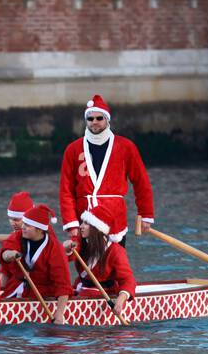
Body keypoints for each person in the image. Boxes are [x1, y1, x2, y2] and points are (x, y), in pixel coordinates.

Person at [58, 94, 155, 245]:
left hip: (114, 219)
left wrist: (146, 214)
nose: (94, 122)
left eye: (99, 118)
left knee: (116, 264)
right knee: (86, 267)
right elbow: (66, 189)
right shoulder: (73, 149)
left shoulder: (126, 147)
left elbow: (141, 182)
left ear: (107, 119)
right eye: (90, 119)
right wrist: (71, 222)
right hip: (84, 219)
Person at [0, 203, 72, 324]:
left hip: (40, 295)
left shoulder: (55, 249)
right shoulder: (18, 236)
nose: (23, 227)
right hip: (14, 289)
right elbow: (4, 253)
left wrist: (59, 314)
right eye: (24, 224)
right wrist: (9, 254)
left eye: (27, 225)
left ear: (39, 229)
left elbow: (63, 285)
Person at [70, 201, 135, 321]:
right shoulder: (81, 243)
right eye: (82, 222)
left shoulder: (116, 251)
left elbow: (128, 280)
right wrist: (67, 247)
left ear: (97, 229)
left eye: (86, 223)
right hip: (80, 288)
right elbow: (68, 256)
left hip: (103, 292)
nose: (81, 226)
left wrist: (120, 301)